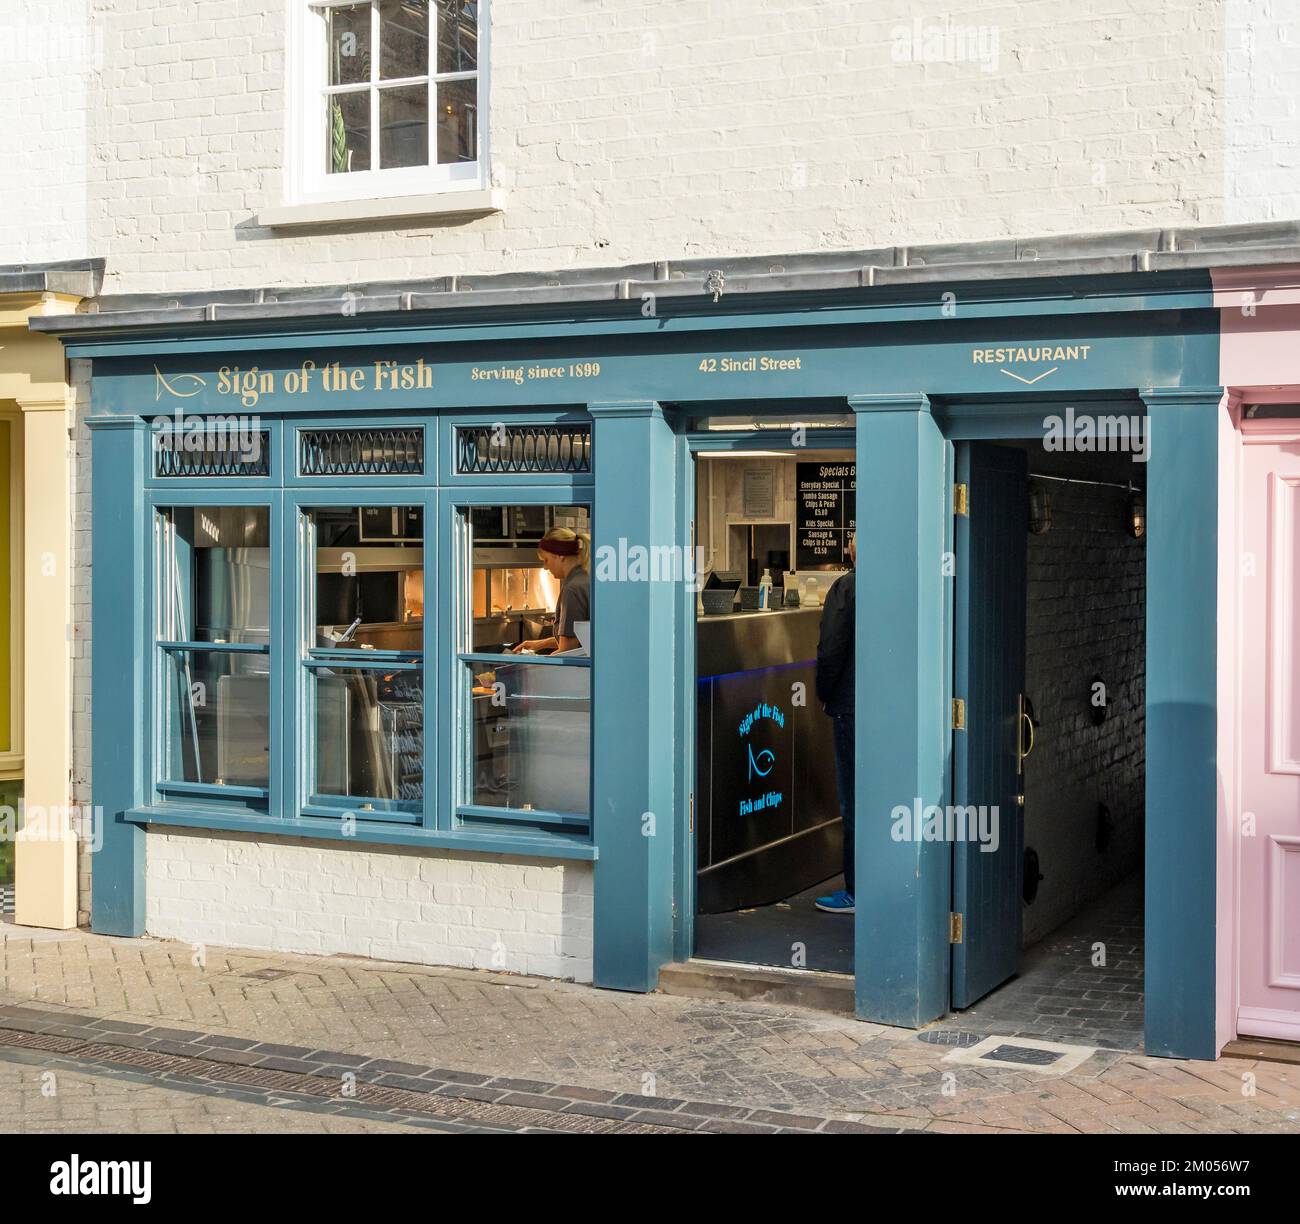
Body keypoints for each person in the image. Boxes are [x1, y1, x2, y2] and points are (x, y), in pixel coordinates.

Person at [814, 532, 856, 914]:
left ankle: (855, 890)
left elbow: (831, 649)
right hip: (885, 709)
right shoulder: (900, 585)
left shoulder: (846, 588)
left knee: (854, 799)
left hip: (849, 705)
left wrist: (823, 691)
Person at [512, 526, 591, 654]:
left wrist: (534, 665)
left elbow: (567, 650)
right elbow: (575, 638)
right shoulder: (585, 577)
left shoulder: (572, 589)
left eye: (546, 560)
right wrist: (539, 644)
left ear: (560, 556)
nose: (545, 567)